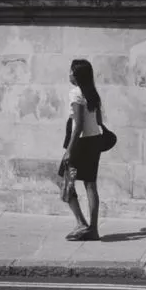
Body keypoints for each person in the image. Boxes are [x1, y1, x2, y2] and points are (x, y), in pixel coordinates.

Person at [61, 58, 103, 241]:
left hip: (80, 143)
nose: (69, 73)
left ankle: (81, 223)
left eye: (71, 71)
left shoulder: (75, 93)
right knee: (90, 185)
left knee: (65, 180)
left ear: (77, 75)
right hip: (94, 142)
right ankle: (92, 229)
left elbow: (78, 125)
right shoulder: (92, 93)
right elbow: (99, 122)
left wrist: (69, 150)